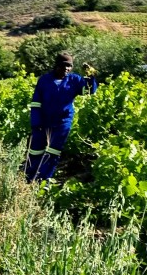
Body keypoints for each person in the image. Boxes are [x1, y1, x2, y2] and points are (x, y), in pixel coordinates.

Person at [26, 53, 98, 183]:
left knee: (53, 151)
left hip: (63, 122)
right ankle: (29, 177)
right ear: (57, 65)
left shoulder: (74, 80)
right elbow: (36, 102)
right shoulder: (44, 80)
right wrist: (36, 123)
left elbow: (89, 90)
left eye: (69, 66)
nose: (67, 69)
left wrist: (90, 75)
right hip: (43, 121)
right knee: (36, 150)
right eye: (64, 65)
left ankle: (43, 180)